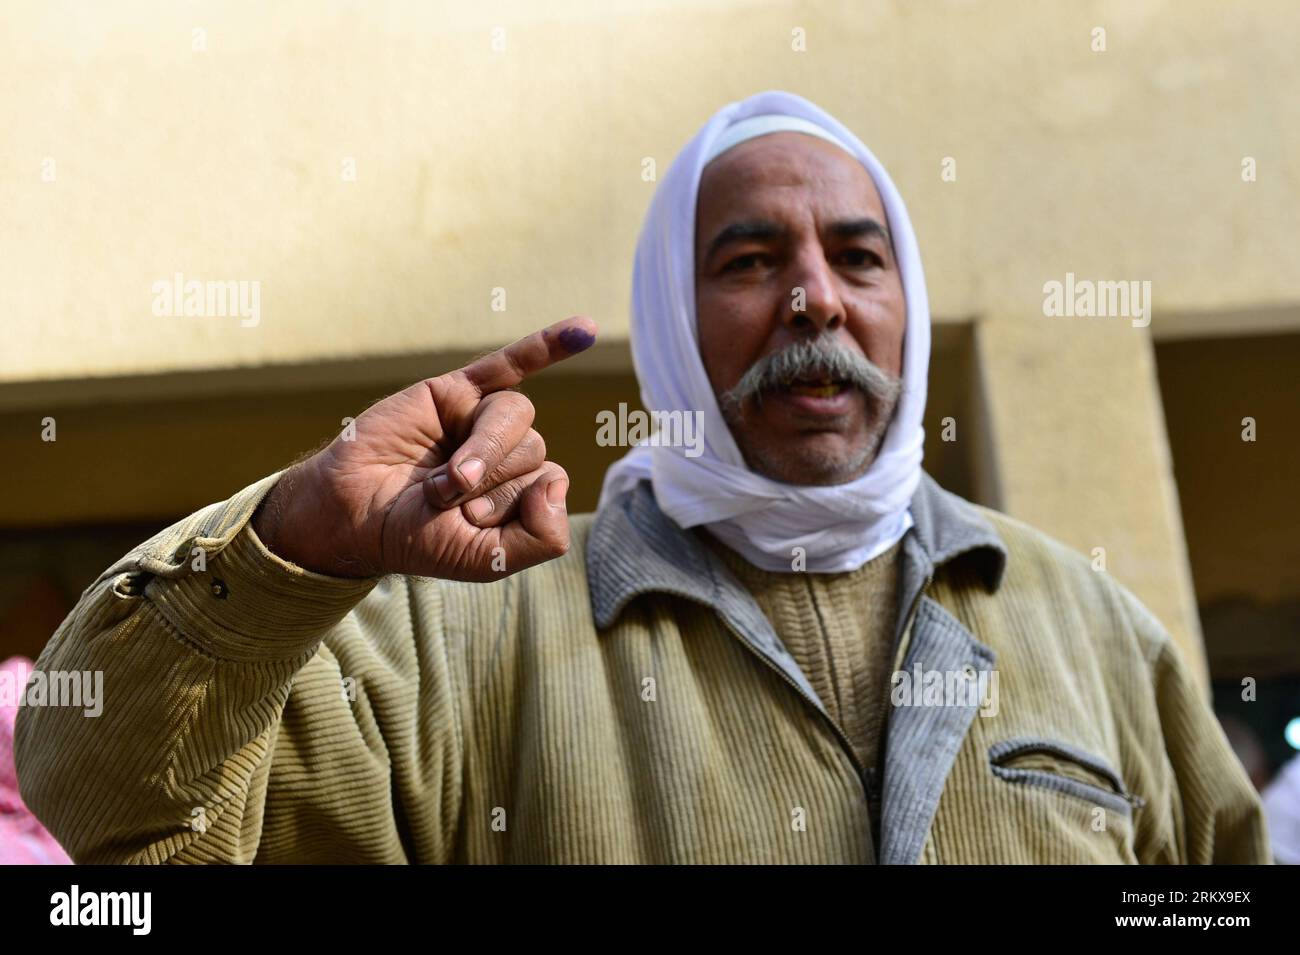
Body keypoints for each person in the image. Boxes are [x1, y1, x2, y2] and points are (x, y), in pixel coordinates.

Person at [15, 91, 1269, 864]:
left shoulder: (1090, 627)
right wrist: (300, 540)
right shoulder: (465, 642)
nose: (813, 297)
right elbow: (112, 808)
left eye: (857, 255)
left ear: (912, 307)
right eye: (748, 259)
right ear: (669, 317)